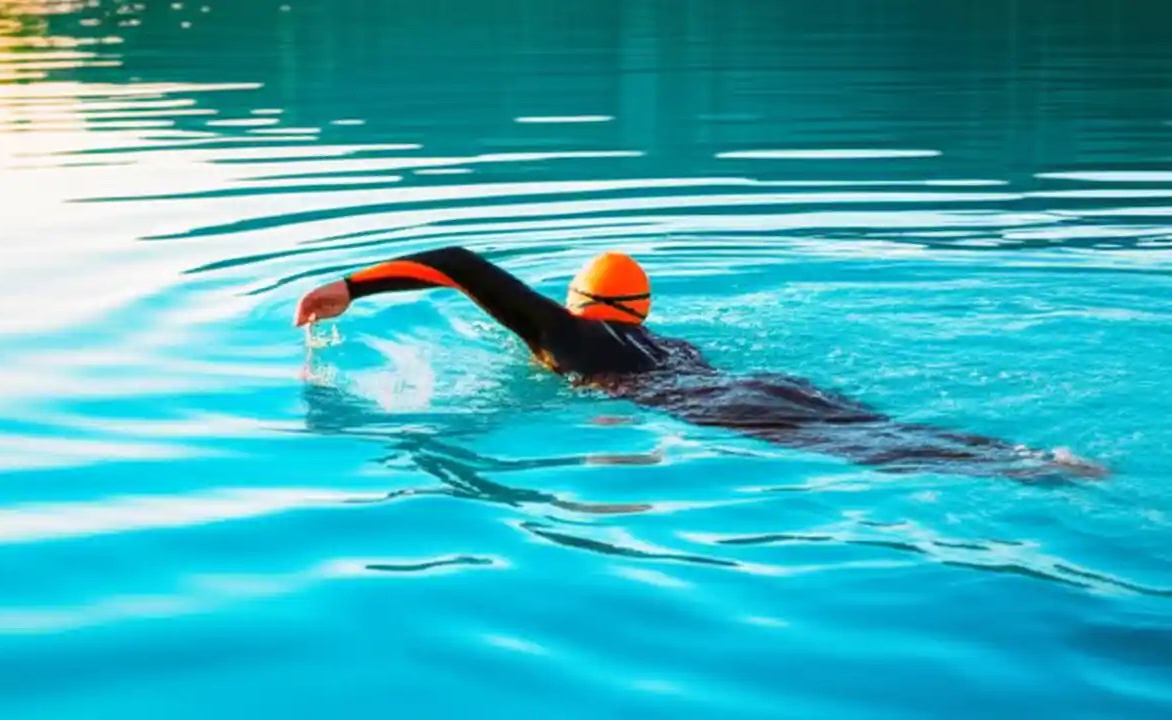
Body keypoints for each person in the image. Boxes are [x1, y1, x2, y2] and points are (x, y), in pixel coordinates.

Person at [294, 246, 1105, 480]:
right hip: (742, 386)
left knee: (868, 450)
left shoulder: (566, 337)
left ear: (577, 301)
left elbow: (460, 262)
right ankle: (1018, 455)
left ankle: (1026, 468)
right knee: (874, 428)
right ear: (641, 309)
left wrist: (351, 288)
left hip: (711, 409)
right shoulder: (665, 342)